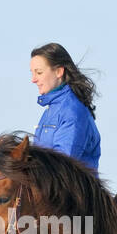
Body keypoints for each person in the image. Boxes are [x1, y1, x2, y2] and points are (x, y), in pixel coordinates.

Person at [30, 43, 101, 171]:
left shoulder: (72, 111)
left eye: (39, 73)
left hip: (70, 190)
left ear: (59, 72)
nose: (33, 79)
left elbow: (62, 164)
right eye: (32, 73)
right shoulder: (51, 110)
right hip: (48, 188)